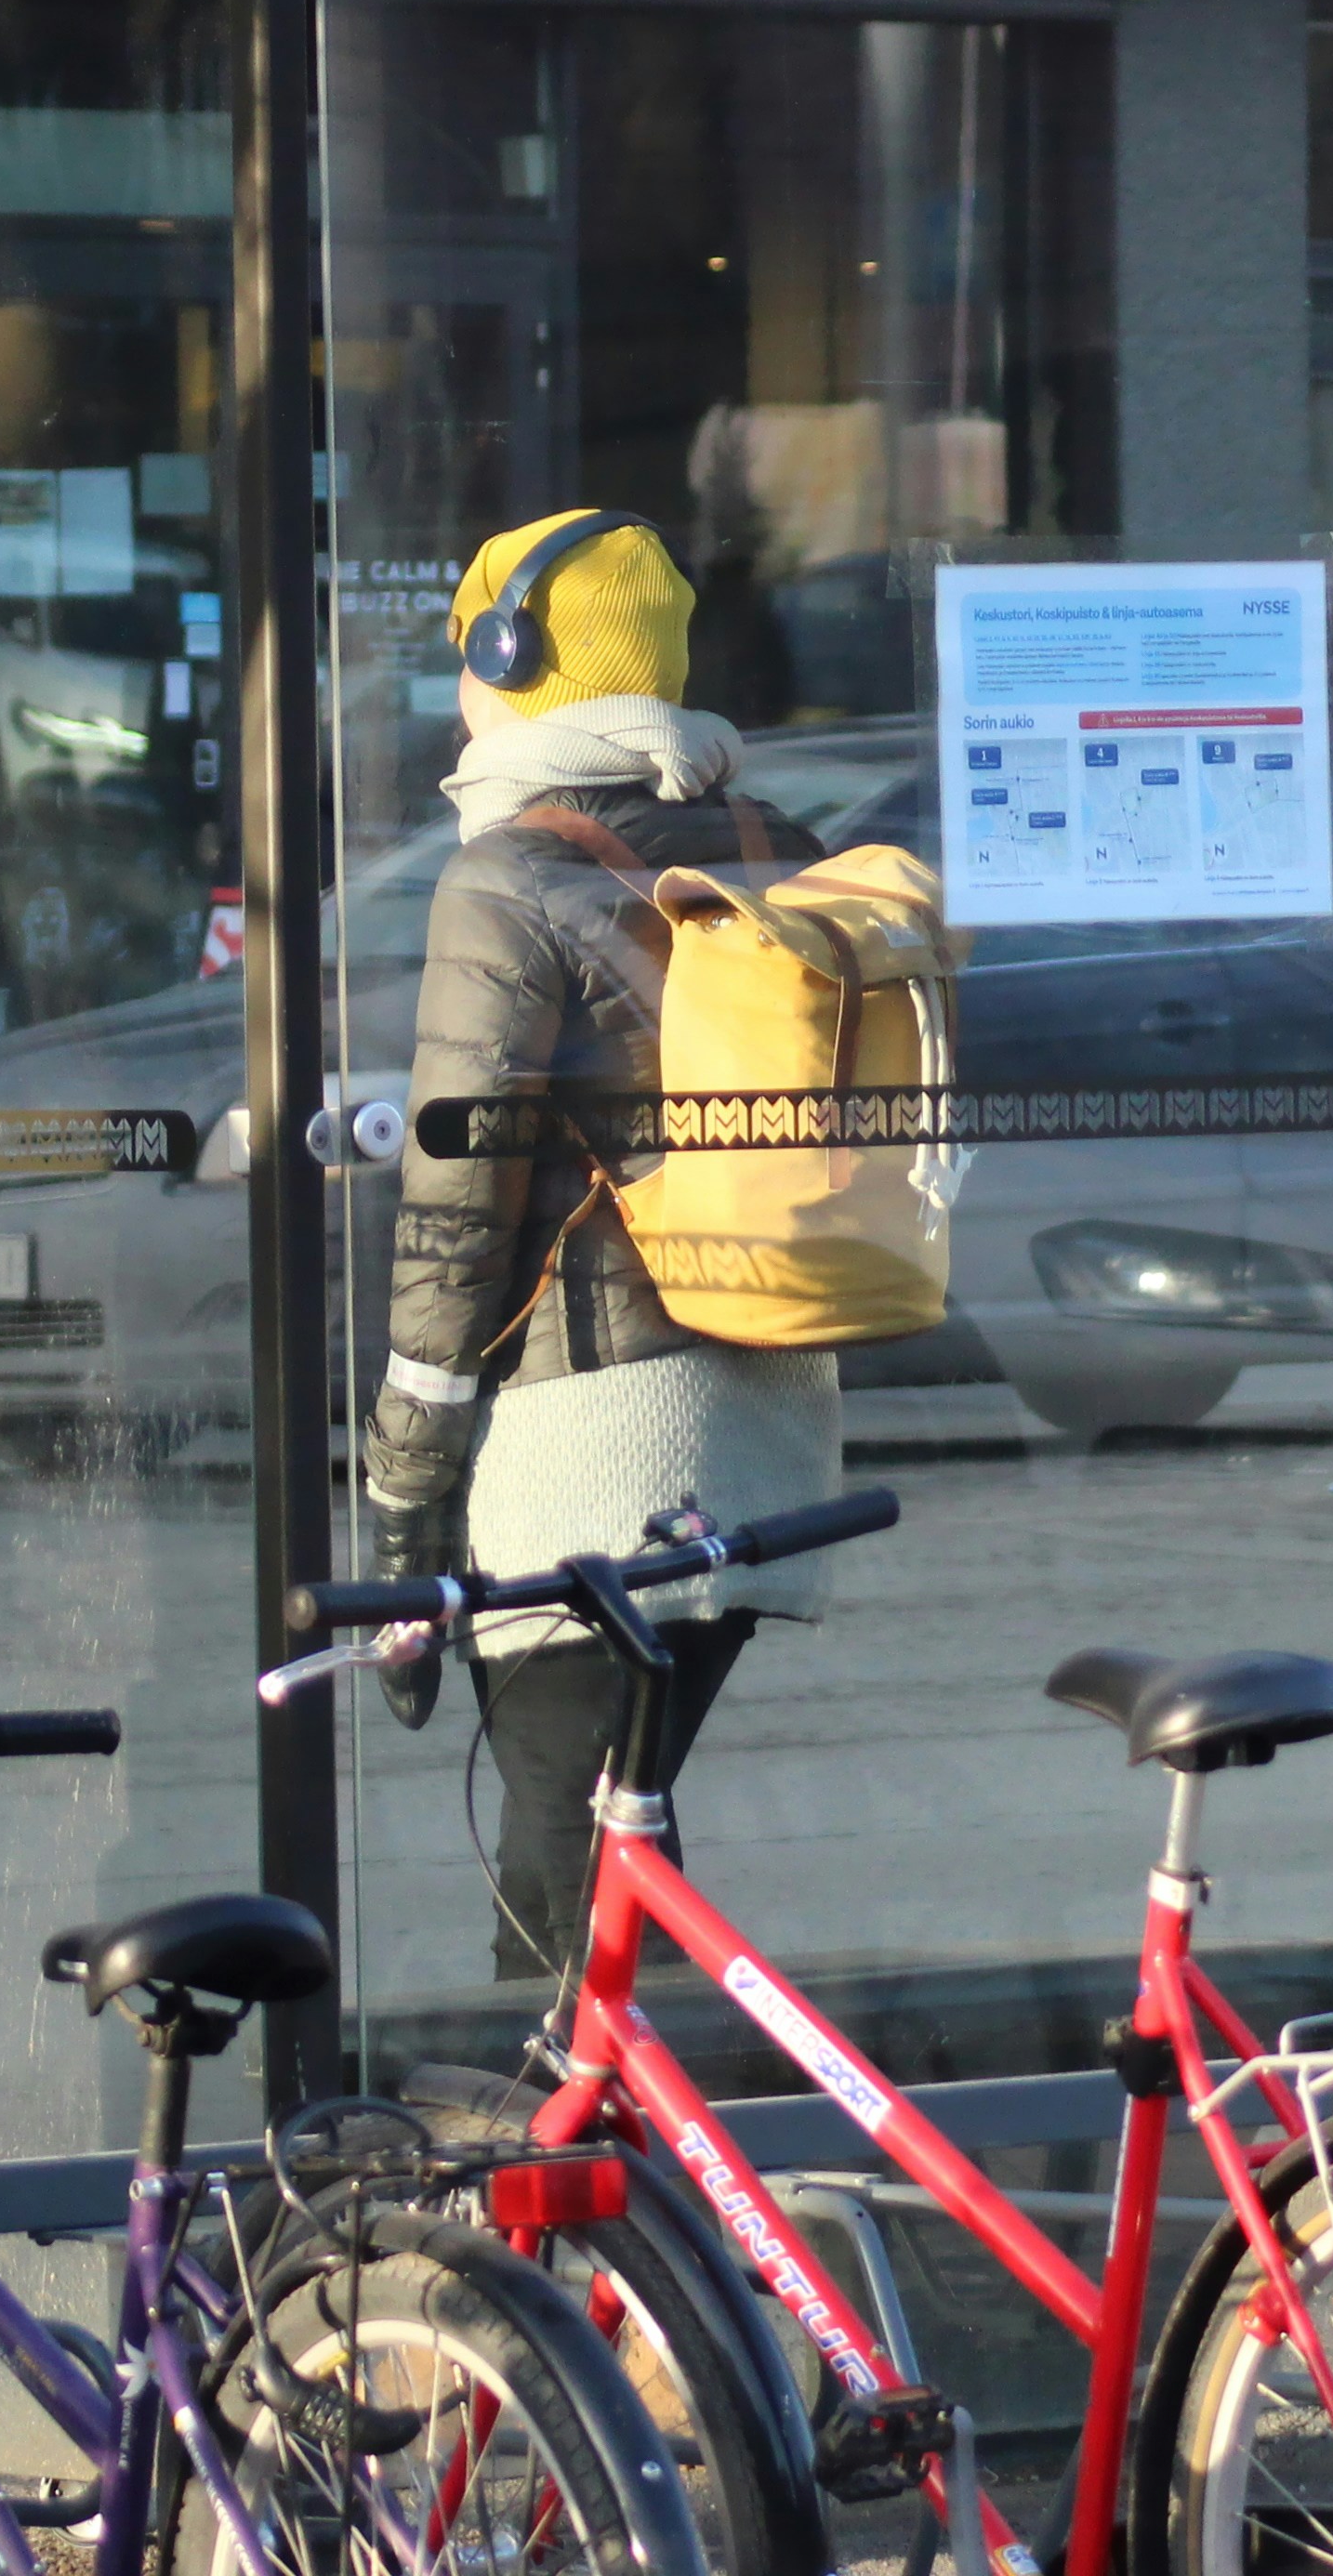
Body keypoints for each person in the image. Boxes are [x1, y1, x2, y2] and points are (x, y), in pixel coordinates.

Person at [365, 511, 848, 1985]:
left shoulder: (503, 880)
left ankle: (606, 2199)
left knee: (564, 1891)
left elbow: (458, 1222)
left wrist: (402, 1505)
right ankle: (642, 2188)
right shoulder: (781, 845)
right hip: (769, 1422)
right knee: (611, 1845)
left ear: (509, 663)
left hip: (593, 1450)